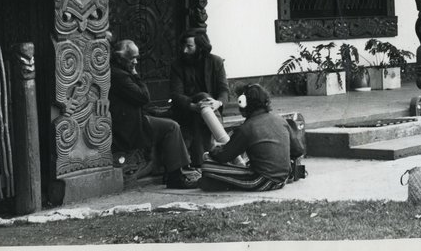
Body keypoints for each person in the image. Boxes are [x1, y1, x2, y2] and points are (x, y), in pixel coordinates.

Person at [108, 39, 199, 189]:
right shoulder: (121, 76)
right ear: (121, 58)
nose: (136, 62)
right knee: (172, 127)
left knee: (170, 121)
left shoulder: (117, 71)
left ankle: (172, 171)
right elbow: (144, 97)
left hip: (134, 118)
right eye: (132, 58)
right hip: (128, 125)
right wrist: (135, 75)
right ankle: (175, 177)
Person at [200, 84, 304, 191]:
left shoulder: (247, 128)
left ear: (243, 104)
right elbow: (298, 150)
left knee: (207, 166)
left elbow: (224, 156)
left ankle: (222, 184)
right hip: (283, 180)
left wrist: (213, 150)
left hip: (260, 181)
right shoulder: (281, 120)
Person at [169, 30, 230, 166]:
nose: (184, 50)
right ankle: (220, 152)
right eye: (183, 46)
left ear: (200, 47)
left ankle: (200, 162)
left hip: (209, 109)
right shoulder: (177, 65)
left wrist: (217, 103)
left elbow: (224, 90)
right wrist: (192, 106)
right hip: (187, 110)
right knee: (202, 99)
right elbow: (176, 94)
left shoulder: (216, 62)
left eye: (189, 46)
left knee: (204, 104)